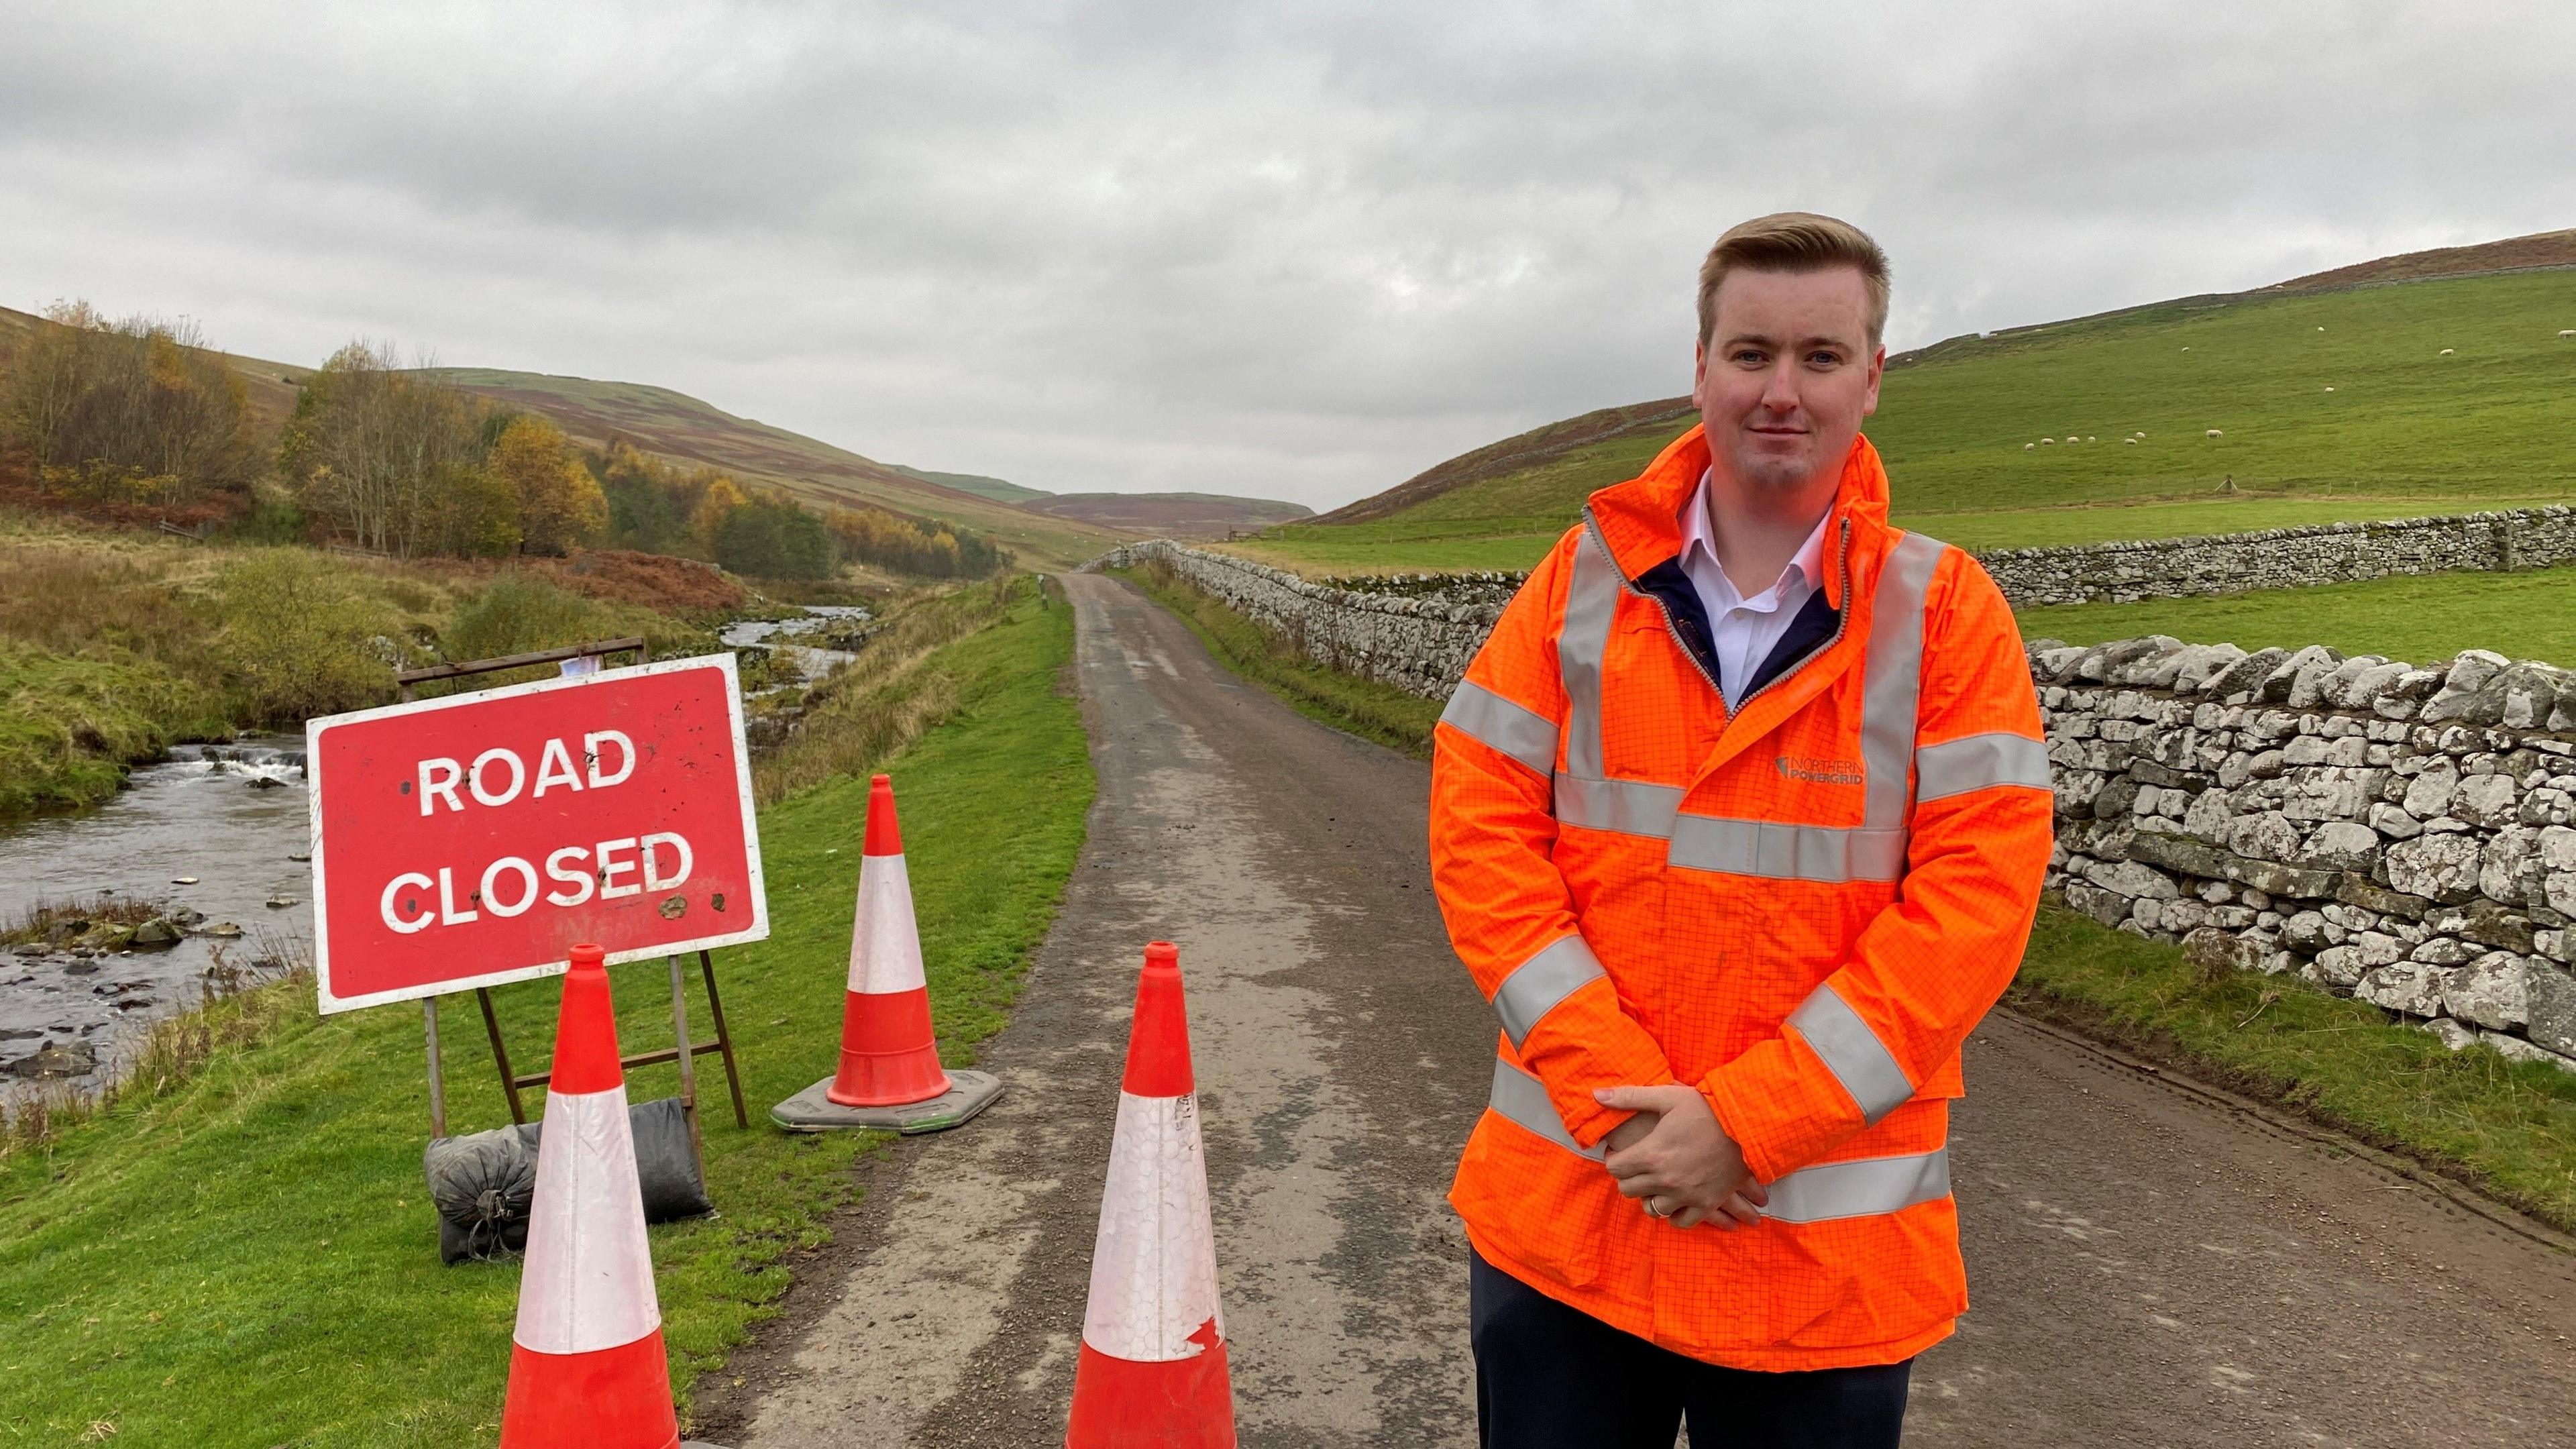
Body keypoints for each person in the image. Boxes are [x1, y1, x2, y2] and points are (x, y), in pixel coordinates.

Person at [1429, 212, 2052, 1448]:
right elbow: (1482, 831)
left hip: (1815, 1272)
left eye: (1821, 357)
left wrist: (1748, 1123)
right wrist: (1623, 1112)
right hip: (1577, 1228)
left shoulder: (1945, 615)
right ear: (1700, 364)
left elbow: (1974, 911)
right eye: (1752, 352)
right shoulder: (1580, 581)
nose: (1783, 390)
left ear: (1873, 379)